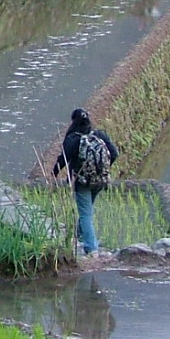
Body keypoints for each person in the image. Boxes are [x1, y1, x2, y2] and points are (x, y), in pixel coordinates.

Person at [52, 108, 119, 257]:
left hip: (81, 182)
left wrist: (53, 174)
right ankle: (80, 238)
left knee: (85, 214)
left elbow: (62, 160)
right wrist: (101, 170)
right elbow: (114, 153)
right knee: (86, 211)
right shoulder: (99, 135)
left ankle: (91, 248)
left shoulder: (73, 139)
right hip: (99, 181)